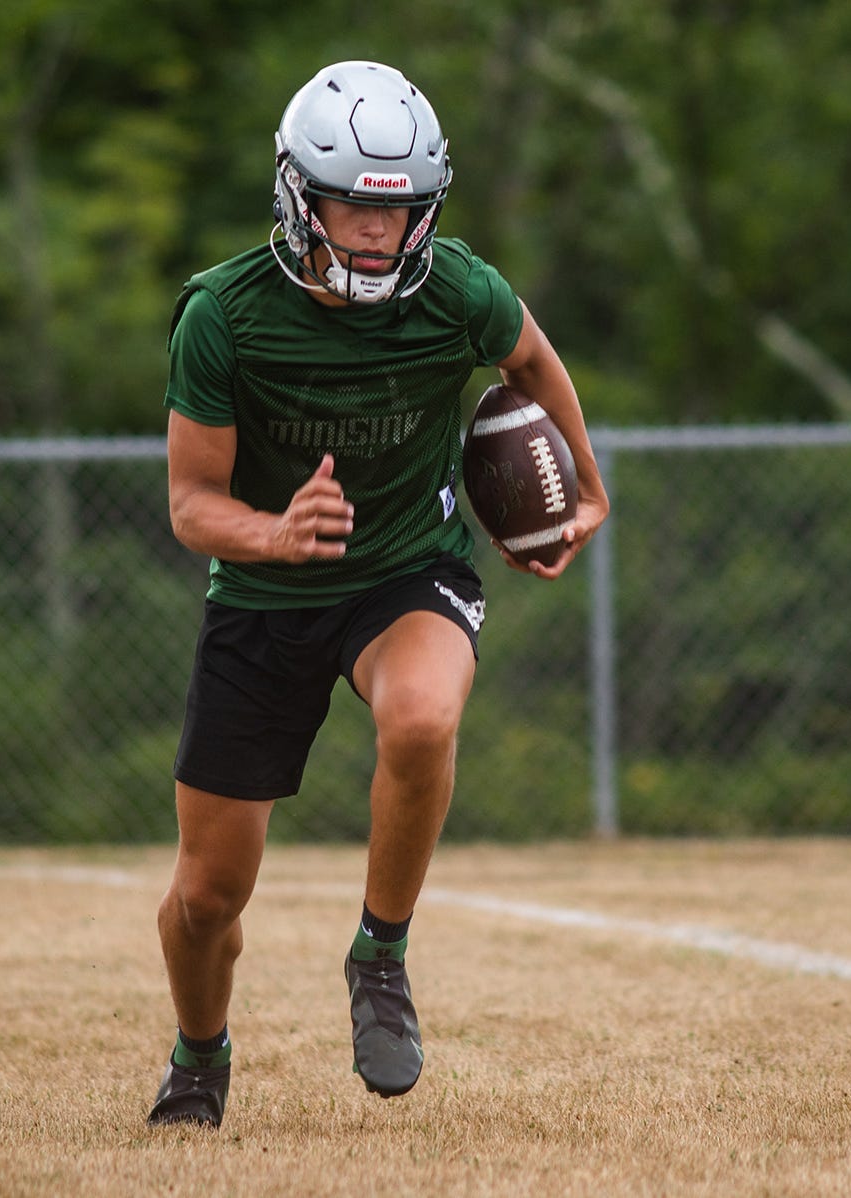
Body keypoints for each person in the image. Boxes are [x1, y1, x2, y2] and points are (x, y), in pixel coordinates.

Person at [147, 60, 610, 1128]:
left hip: (409, 566)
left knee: (422, 714)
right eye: (352, 203)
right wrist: (275, 531)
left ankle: (381, 956)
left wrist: (586, 489)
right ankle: (198, 1056)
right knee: (207, 897)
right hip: (265, 592)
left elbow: (532, 361)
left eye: (396, 211)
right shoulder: (222, 314)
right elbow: (189, 504)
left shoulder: (458, 287)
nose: (373, 232)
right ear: (297, 195)